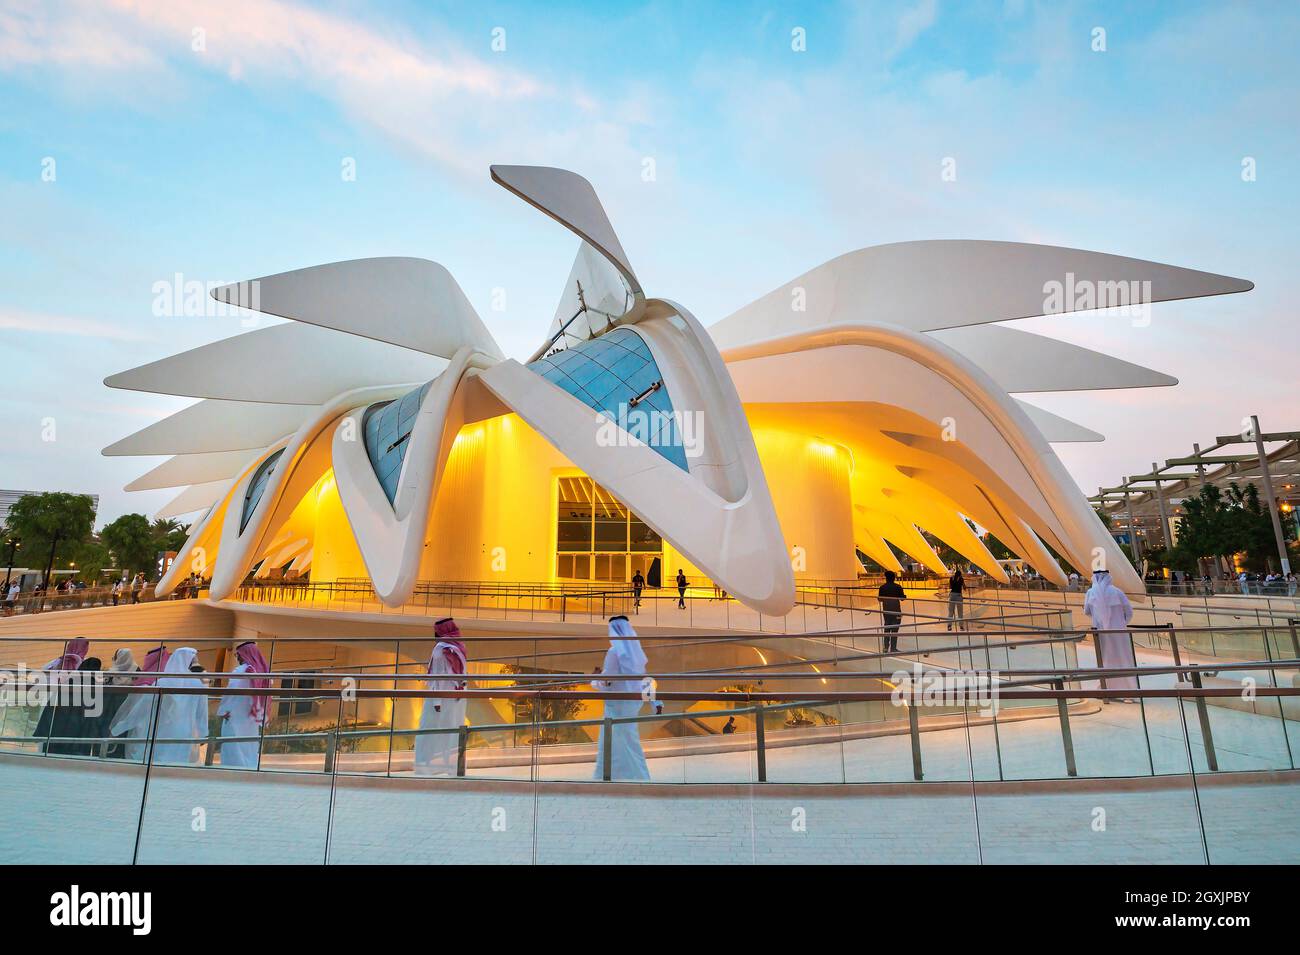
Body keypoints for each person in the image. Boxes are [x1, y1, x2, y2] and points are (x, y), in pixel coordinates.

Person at [593, 615, 652, 781]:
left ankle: (610, 775)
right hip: (632, 703)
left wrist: (594, 679)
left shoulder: (614, 652)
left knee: (612, 740)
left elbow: (608, 681)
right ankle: (638, 775)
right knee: (630, 740)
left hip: (616, 704)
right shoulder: (636, 652)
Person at [414, 618, 468, 776]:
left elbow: (436, 677)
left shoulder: (440, 649)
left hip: (439, 699)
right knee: (452, 729)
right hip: (456, 696)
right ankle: (449, 766)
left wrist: (436, 702)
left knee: (429, 730)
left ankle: (425, 766)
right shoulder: (458, 646)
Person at [1083, 569, 1137, 698]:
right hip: (1119, 632)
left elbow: (1086, 611)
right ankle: (1128, 693)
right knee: (1123, 659)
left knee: (1105, 659)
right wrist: (1121, 623)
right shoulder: (1117, 592)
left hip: (1100, 632)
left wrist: (1099, 619)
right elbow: (1129, 611)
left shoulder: (1091, 593)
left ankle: (1104, 689)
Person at [109, 645, 169, 761]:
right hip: (124, 712)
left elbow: (135, 713)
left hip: (140, 726)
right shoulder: (153, 680)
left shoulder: (146, 683)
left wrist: (115, 729)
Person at [217, 641, 271, 769]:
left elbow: (230, 692)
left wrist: (223, 710)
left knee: (234, 744)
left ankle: (234, 769)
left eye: (238, 655)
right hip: (252, 716)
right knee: (249, 745)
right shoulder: (261, 671)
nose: (238, 658)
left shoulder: (241, 671)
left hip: (236, 715)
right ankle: (250, 768)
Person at [151, 647, 209, 765]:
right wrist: (203, 733)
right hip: (186, 729)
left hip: (162, 730)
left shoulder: (160, 683)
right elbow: (201, 711)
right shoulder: (197, 684)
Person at [33, 638, 89, 751]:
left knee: (46, 726)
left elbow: (42, 672)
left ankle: (42, 753)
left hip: (51, 698)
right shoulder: (84, 664)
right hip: (72, 704)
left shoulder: (59, 661)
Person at [878, 571, 905, 653]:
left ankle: (885, 647)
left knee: (887, 627)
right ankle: (893, 648)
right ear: (894, 578)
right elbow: (902, 598)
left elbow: (880, 599)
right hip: (896, 610)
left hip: (886, 610)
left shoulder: (882, 587)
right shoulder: (898, 587)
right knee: (895, 629)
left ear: (886, 578)